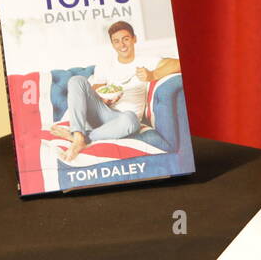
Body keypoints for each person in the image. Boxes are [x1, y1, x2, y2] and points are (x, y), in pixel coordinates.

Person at [52, 21, 181, 162]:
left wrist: (153, 75)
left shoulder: (147, 60)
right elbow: (94, 89)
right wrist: (103, 99)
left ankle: (83, 138)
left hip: (123, 120)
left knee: (130, 118)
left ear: (134, 39)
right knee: (76, 80)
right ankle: (78, 135)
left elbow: (178, 63)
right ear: (113, 44)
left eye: (126, 39)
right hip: (102, 112)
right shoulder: (106, 64)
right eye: (116, 41)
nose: (122, 45)